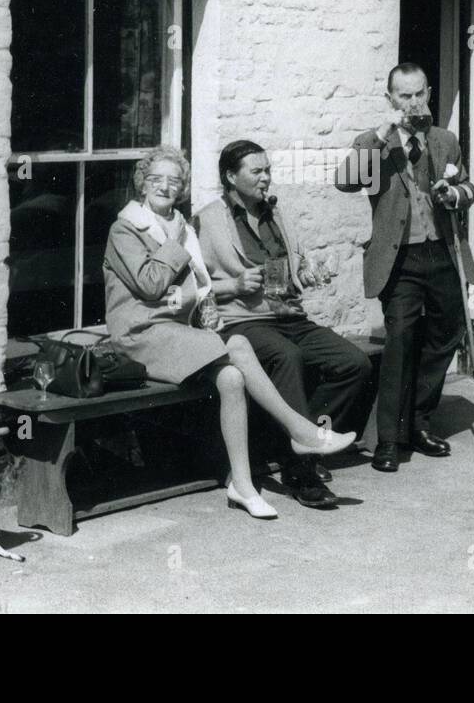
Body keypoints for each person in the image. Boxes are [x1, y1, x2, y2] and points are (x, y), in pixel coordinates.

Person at [103, 145, 355, 519]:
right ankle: (300, 431)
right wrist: (175, 240)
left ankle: (242, 484)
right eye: (157, 179)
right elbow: (152, 285)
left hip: (177, 331)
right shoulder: (126, 228)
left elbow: (199, 288)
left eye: (175, 181)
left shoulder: (181, 227)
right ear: (142, 183)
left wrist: (210, 311)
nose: (166, 187)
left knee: (233, 377)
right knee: (237, 343)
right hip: (140, 333)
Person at [193, 140, 371, 509]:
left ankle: (304, 438)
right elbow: (192, 285)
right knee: (287, 357)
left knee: (355, 364)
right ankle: (301, 470)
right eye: (256, 171)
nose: (265, 178)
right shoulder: (207, 220)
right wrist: (234, 285)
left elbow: (295, 266)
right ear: (231, 176)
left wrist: (306, 274)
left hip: (288, 314)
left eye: (268, 170)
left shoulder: (277, 214)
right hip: (242, 321)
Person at [335, 63, 474, 473]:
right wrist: (382, 133)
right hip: (399, 259)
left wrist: (453, 193)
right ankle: (388, 440)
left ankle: (417, 422)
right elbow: (345, 181)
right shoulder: (373, 142)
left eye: (418, 94)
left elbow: (468, 187)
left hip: (443, 253)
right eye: (403, 95)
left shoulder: (444, 140)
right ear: (390, 99)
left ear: (429, 93)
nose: (412, 103)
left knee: (446, 334)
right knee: (400, 340)